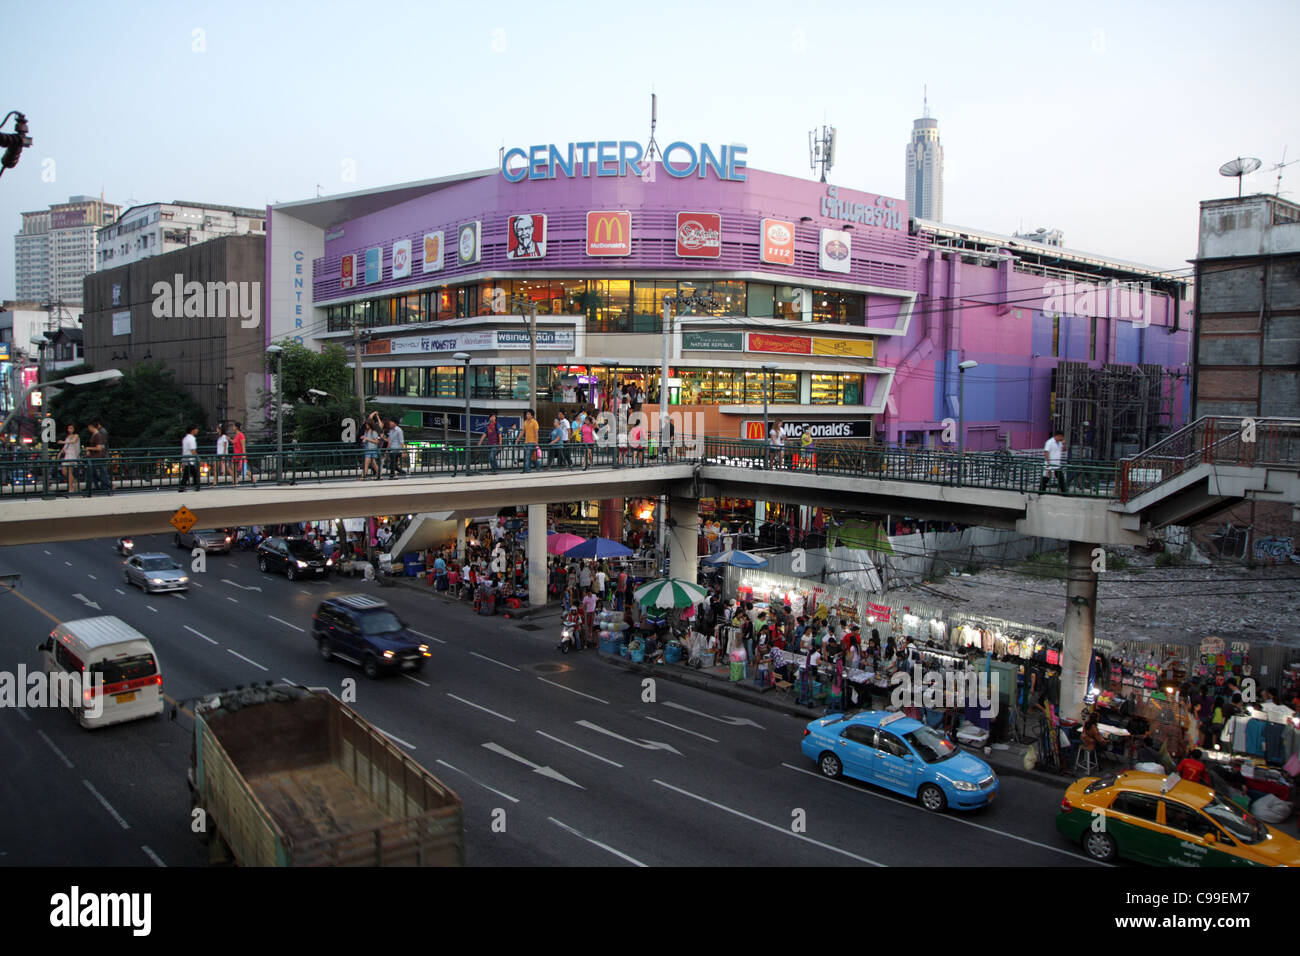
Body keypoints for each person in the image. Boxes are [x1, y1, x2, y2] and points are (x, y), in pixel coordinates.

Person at [85, 419, 111, 494]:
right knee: (96, 472)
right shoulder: (99, 433)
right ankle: (103, 487)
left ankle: (105, 487)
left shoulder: (100, 433)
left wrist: (89, 448)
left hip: (99, 456)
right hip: (98, 456)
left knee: (100, 472)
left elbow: (100, 446)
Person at [1040, 429, 1067, 493]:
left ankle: (1064, 492)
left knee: (1061, 479)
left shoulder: (1060, 443)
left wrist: (1064, 444)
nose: (1061, 438)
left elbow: (1064, 450)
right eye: (1060, 437)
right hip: (1050, 464)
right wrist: (1048, 464)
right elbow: (1046, 452)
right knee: (1045, 479)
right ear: (1057, 436)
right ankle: (1041, 491)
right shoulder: (1049, 442)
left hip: (1057, 465)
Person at [58, 422, 81, 493]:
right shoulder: (68, 436)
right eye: (68, 428)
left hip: (72, 455)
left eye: (71, 428)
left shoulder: (76, 435)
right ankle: (75, 485)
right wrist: (60, 453)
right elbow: (65, 447)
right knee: (65, 471)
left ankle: (71, 488)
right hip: (67, 455)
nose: (69, 430)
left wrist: (62, 442)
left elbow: (73, 441)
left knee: (69, 471)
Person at [179, 424, 201, 492]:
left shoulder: (185, 438)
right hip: (190, 460)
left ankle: (183, 487)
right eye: (196, 429)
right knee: (193, 473)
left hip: (186, 459)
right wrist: (198, 458)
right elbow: (193, 451)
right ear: (192, 430)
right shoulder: (191, 439)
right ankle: (195, 486)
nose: (197, 430)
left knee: (188, 474)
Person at [518, 409, 540, 473]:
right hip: (526, 442)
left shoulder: (535, 422)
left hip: (532, 442)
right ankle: (538, 466)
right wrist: (518, 439)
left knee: (527, 456)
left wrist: (536, 442)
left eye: (528, 414)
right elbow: (523, 432)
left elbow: (536, 433)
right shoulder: (525, 422)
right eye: (526, 414)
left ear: (532, 415)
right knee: (531, 457)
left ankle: (527, 469)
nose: (527, 415)